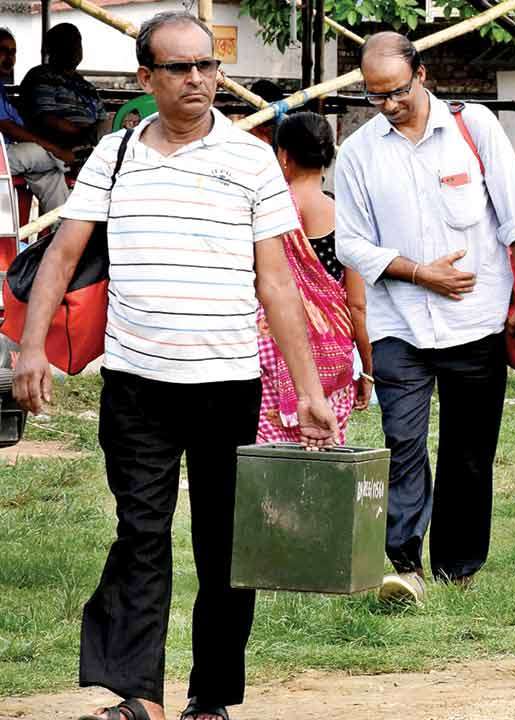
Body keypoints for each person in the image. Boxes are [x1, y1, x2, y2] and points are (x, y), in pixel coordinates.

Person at [11, 12, 339, 720]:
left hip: (227, 384)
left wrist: (309, 391)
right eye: (181, 68)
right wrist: (32, 348)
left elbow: (276, 283)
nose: (199, 80)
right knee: (141, 534)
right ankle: (140, 696)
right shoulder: (116, 155)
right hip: (136, 385)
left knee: (228, 546)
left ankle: (211, 699)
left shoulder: (250, 159)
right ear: (146, 78)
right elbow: (63, 255)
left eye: (207, 67)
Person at [335, 32, 515, 602]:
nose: (388, 104)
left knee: (469, 450)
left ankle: (459, 565)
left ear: (421, 75)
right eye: (375, 96)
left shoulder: (473, 129)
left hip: (475, 322)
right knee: (402, 444)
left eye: (397, 91)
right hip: (398, 324)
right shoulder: (358, 152)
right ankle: (403, 565)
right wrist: (417, 272)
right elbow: (352, 244)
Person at [257, 111, 374, 444]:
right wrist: (366, 368)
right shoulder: (344, 218)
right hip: (332, 356)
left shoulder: (268, 212)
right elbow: (357, 304)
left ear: (283, 155)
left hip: (269, 351)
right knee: (321, 457)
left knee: (268, 461)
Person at [0, 27, 72, 214]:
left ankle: (60, 232)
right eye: (2, 51)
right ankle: (72, 162)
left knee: (52, 177)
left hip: (9, 153)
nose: (9, 57)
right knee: (47, 154)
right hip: (2, 155)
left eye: (13, 52)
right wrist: (55, 149)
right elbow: (8, 127)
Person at [19, 23, 105, 155]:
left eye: (78, 42)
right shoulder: (42, 76)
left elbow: (102, 118)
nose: (75, 47)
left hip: (92, 142)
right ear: (52, 49)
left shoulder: (86, 86)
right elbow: (46, 119)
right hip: (59, 145)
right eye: (68, 42)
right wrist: (85, 134)